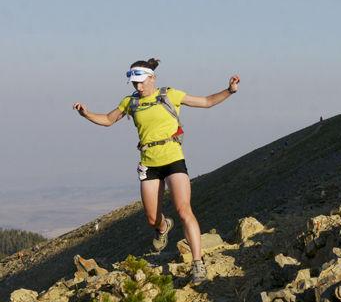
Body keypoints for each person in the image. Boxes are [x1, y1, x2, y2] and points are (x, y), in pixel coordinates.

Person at [72, 58, 240, 284]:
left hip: (173, 159)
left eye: (142, 82)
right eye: (135, 83)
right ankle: (163, 226)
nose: (138, 87)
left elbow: (207, 101)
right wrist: (86, 114)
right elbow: (108, 120)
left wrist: (229, 91)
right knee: (152, 218)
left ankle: (198, 263)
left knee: (184, 210)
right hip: (149, 162)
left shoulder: (170, 95)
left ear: (152, 78)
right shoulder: (130, 102)